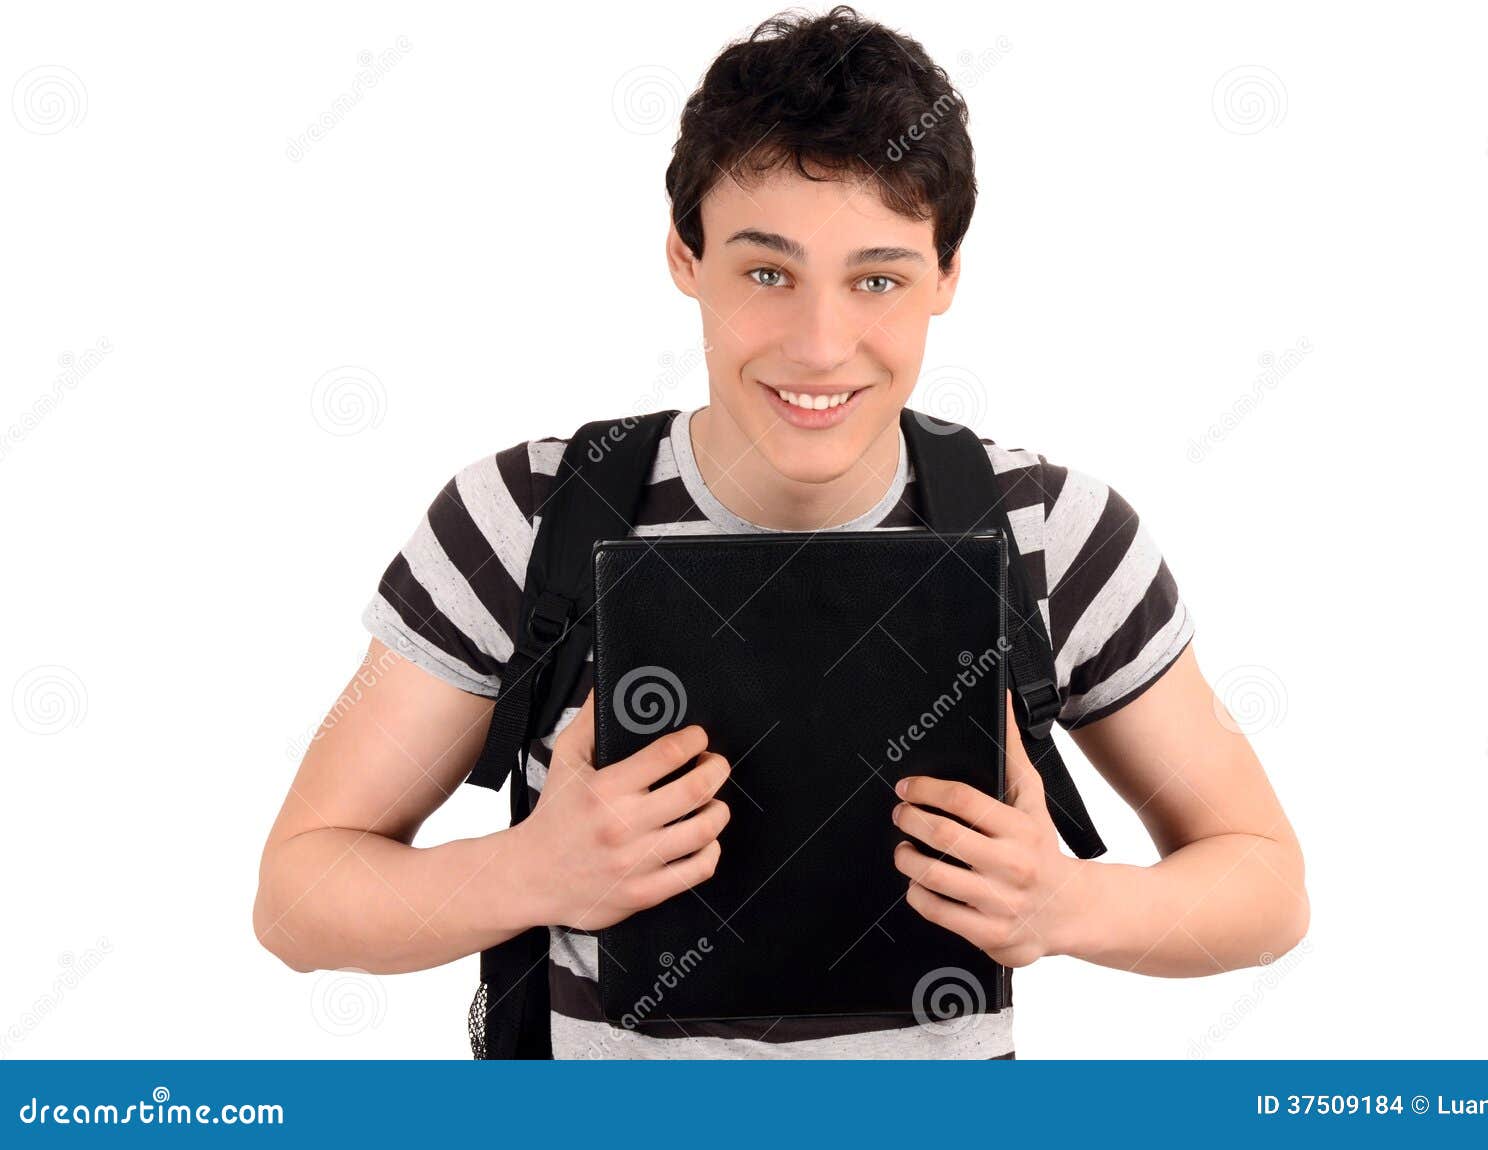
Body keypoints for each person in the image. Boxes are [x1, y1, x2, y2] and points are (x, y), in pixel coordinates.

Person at [252, 5, 1308, 1059]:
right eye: (767, 272)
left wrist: (1067, 905)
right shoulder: (524, 516)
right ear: (684, 254)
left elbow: (1265, 884)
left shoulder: (1056, 531)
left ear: (947, 276)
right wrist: (533, 870)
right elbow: (298, 899)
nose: (819, 344)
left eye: (878, 279)